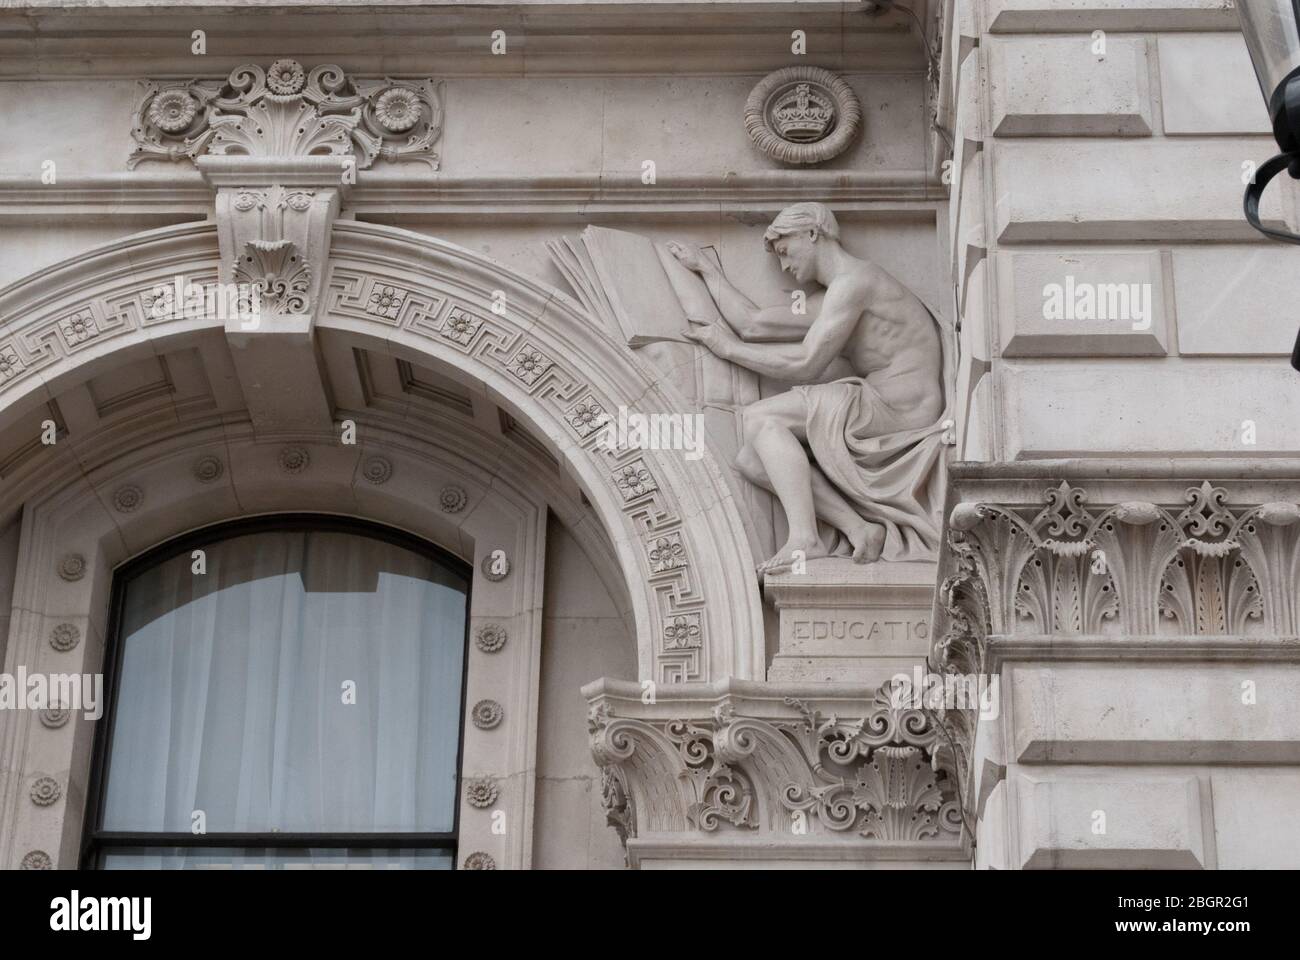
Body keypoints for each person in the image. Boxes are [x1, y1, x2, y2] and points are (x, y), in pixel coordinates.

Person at [667, 202, 945, 573]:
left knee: (761, 418)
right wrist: (706, 270)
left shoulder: (856, 282)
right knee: (752, 459)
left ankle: (805, 538)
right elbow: (754, 324)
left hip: (897, 406)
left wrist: (728, 350)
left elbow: (807, 364)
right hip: (878, 400)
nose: (784, 267)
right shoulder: (838, 294)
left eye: (785, 251)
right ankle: (860, 530)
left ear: (812, 234)